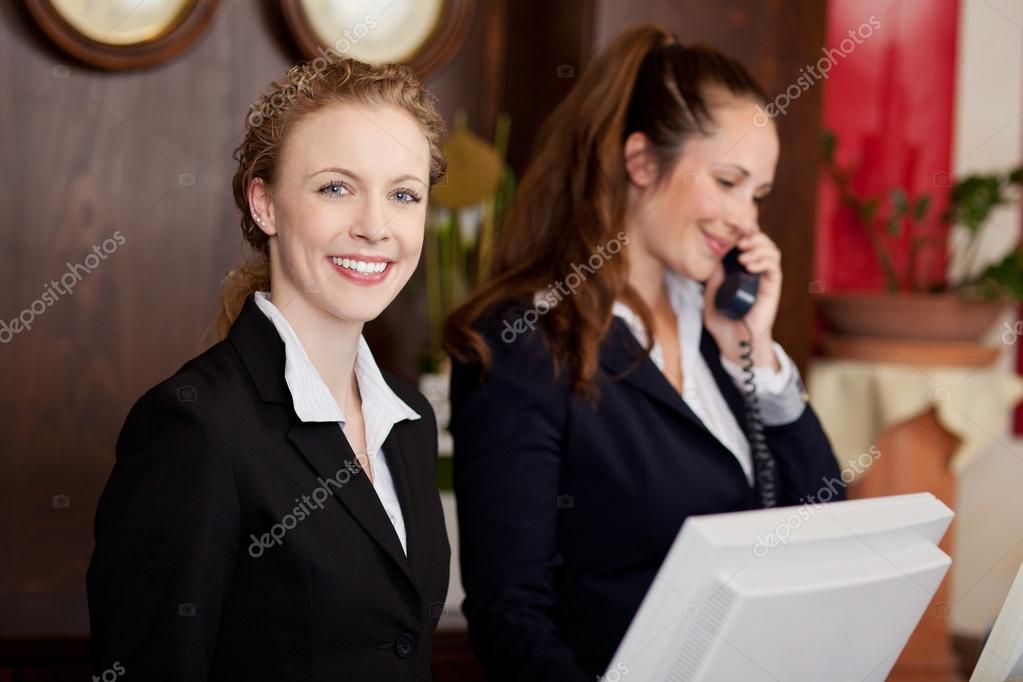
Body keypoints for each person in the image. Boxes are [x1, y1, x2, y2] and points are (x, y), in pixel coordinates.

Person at [444, 24, 844, 681]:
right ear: (641, 162)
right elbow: (510, 616)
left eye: (758, 195)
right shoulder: (525, 340)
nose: (747, 219)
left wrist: (757, 354)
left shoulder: (718, 330)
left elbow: (821, 535)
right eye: (727, 180)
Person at [87, 57, 450, 681]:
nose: (374, 226)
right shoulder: (192, 428)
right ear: (266, 205)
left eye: (403, 194)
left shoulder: (409, 419)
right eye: (336, 187)